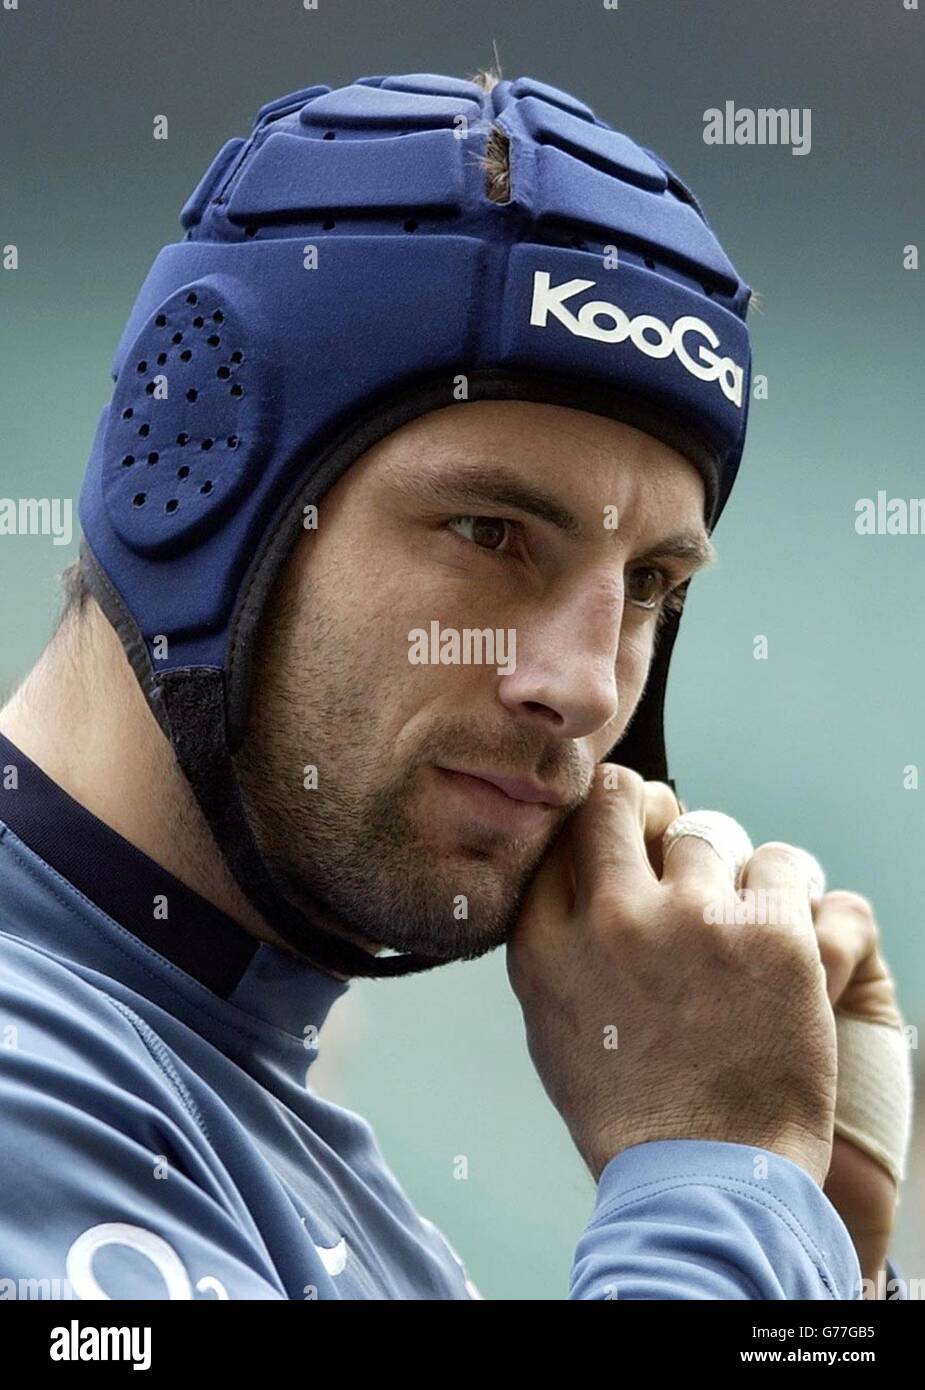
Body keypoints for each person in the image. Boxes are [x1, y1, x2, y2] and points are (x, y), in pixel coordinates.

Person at [0, 67, 911, 1300]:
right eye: (490, 533)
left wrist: (819, 1247)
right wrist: (719, 1180)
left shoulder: (273, 1118)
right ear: (194, 489)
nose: (586, 688)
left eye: (647, 584)